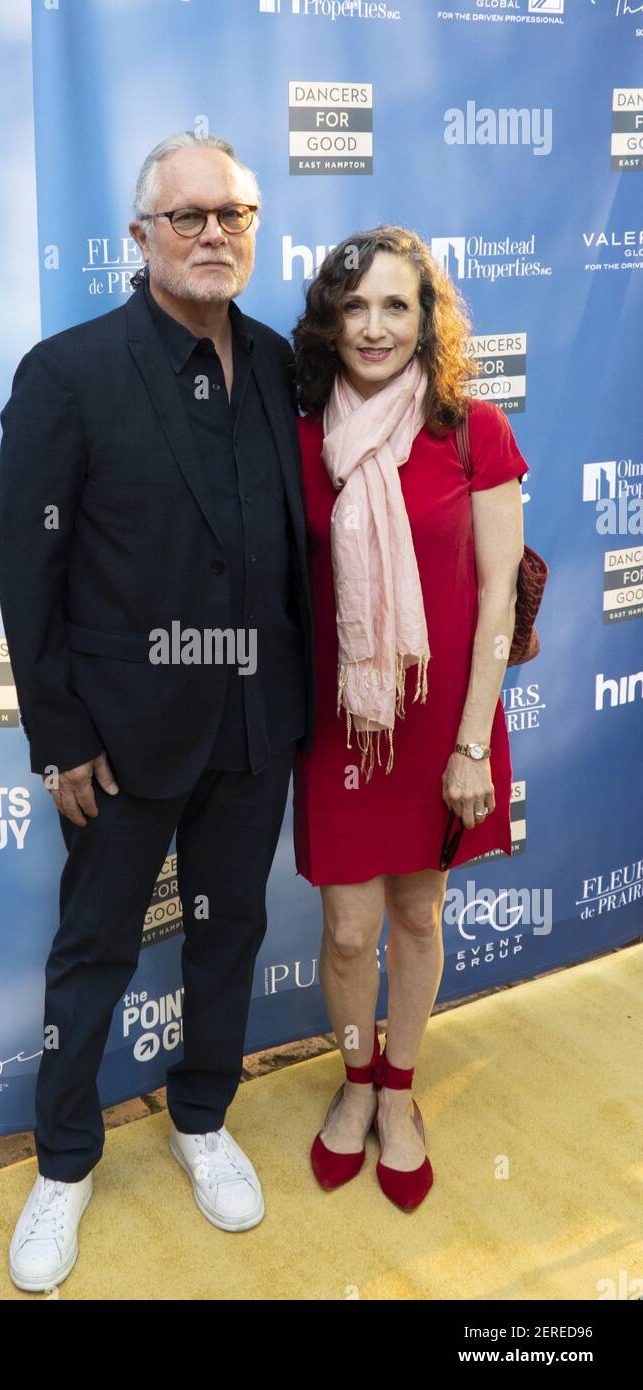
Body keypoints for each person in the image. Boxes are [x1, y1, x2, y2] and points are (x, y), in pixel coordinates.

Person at [0, 131, 314, 1291]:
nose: (212, 233)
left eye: (231, 213)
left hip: (255, 725)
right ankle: (66, 1162)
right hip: (119, 741)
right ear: (140, 237)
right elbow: (27, 571)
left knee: (230, 929)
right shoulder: (67, 372)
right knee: (94, 950)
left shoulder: (281, 363)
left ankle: (201, 1117)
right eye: (187, 216)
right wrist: (58, 731)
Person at [291, 226, 528, 1211]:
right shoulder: (298, 435)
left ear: (428, 318)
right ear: (329, 321)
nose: (375, 327)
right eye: (355, 306)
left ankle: (398, 1090)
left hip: (442, 724)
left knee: (418, 911)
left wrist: (474, 740)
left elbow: (499, 594)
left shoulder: (473, 430)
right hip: (337, 722)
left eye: (398, 304)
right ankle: (352, 1078)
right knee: (348, 932)